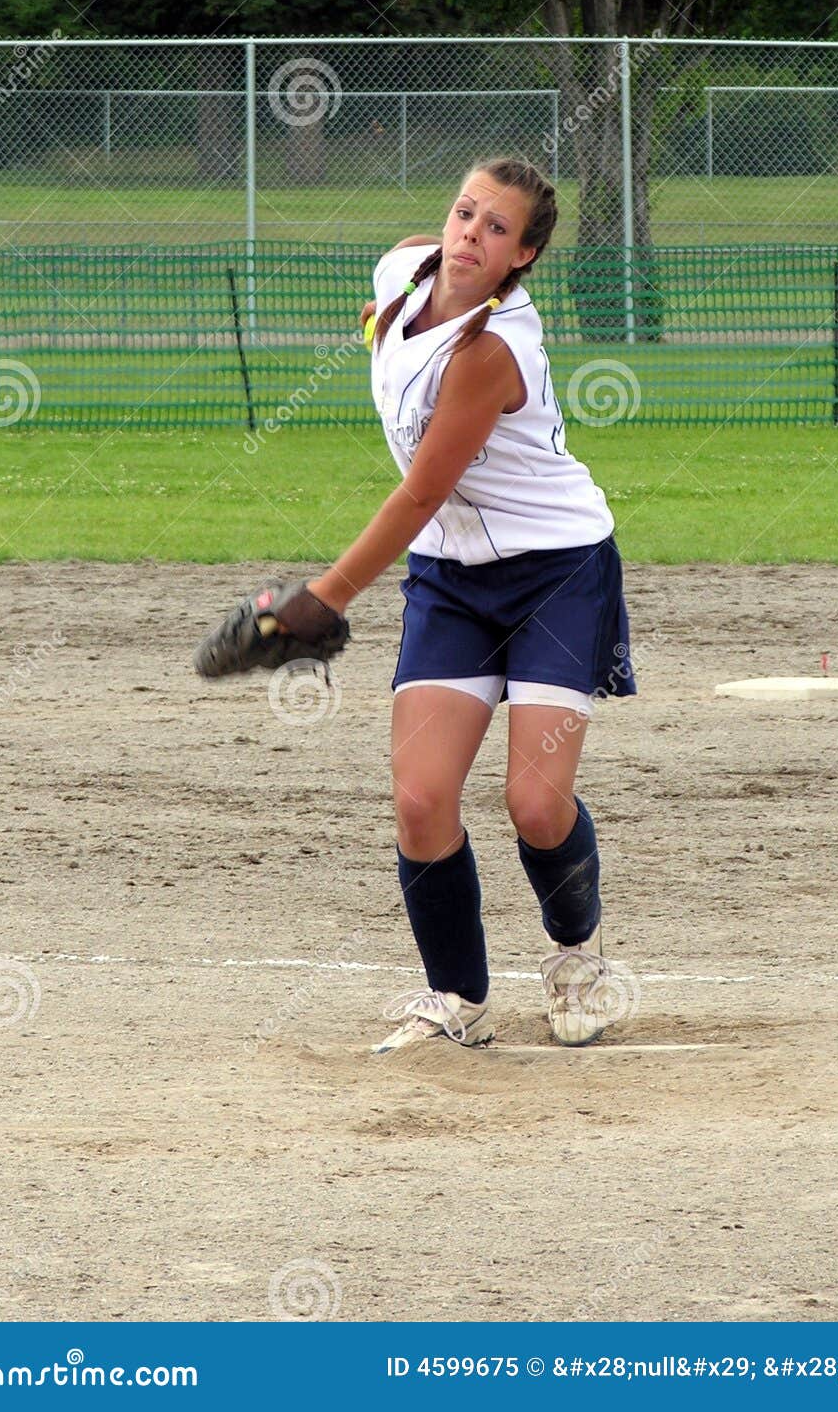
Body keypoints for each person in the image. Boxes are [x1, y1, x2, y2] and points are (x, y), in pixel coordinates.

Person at [302, 156, 636, 1052]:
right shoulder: (404, 272)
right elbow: (407, 266)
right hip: (453, 578)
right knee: (420, 799)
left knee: (533, 802)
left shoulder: (494, 352)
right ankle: (457, 997)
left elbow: (418, 495)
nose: (469, 237)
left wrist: (319, 601)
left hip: (557, 573)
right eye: (463, 214)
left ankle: (579, 958)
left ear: (524, 256)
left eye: (497, 230)